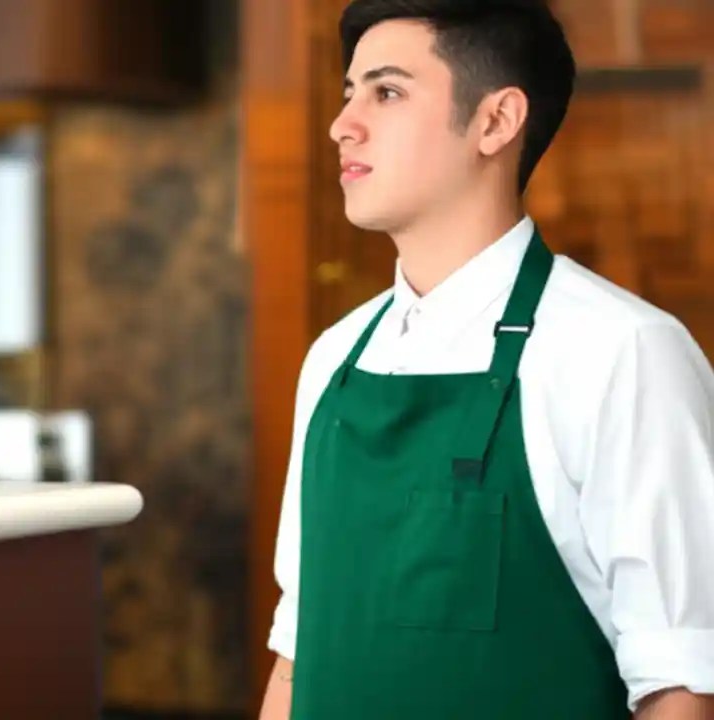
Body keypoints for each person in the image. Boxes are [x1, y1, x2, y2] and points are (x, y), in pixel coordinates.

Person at [257, 0, 714, 718]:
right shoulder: (334, 358)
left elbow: (678, 685)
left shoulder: (623, 353)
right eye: (350, 94)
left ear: (496, 121)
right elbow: (296, 652)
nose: (343, 124)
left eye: (388, 91)